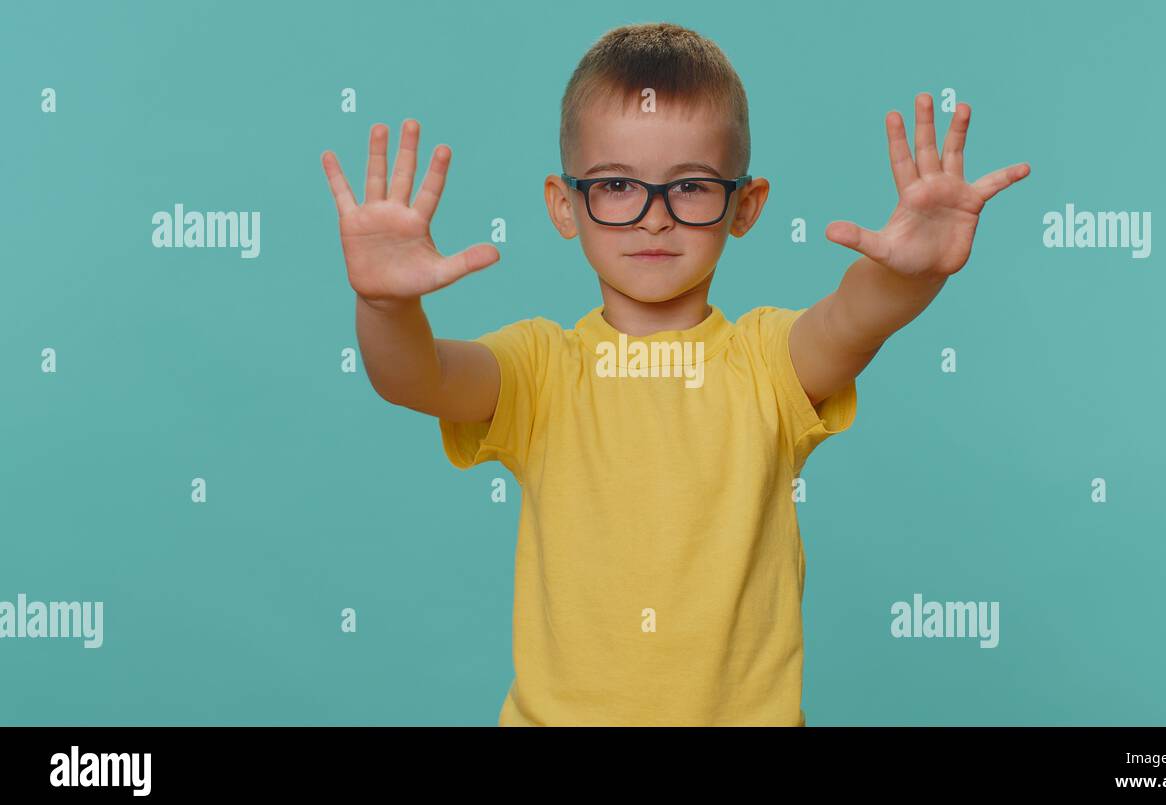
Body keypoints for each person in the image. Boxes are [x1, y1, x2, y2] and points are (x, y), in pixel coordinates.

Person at [320, 22, 1029, 726]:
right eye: (617, 185)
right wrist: (384, 303)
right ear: (564, 205)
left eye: (689, 187)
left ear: (745, 207)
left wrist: (911, 276)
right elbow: (416, 378)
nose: (653, 219)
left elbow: (852, 319)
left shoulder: (767, 362)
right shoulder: (540, 369)